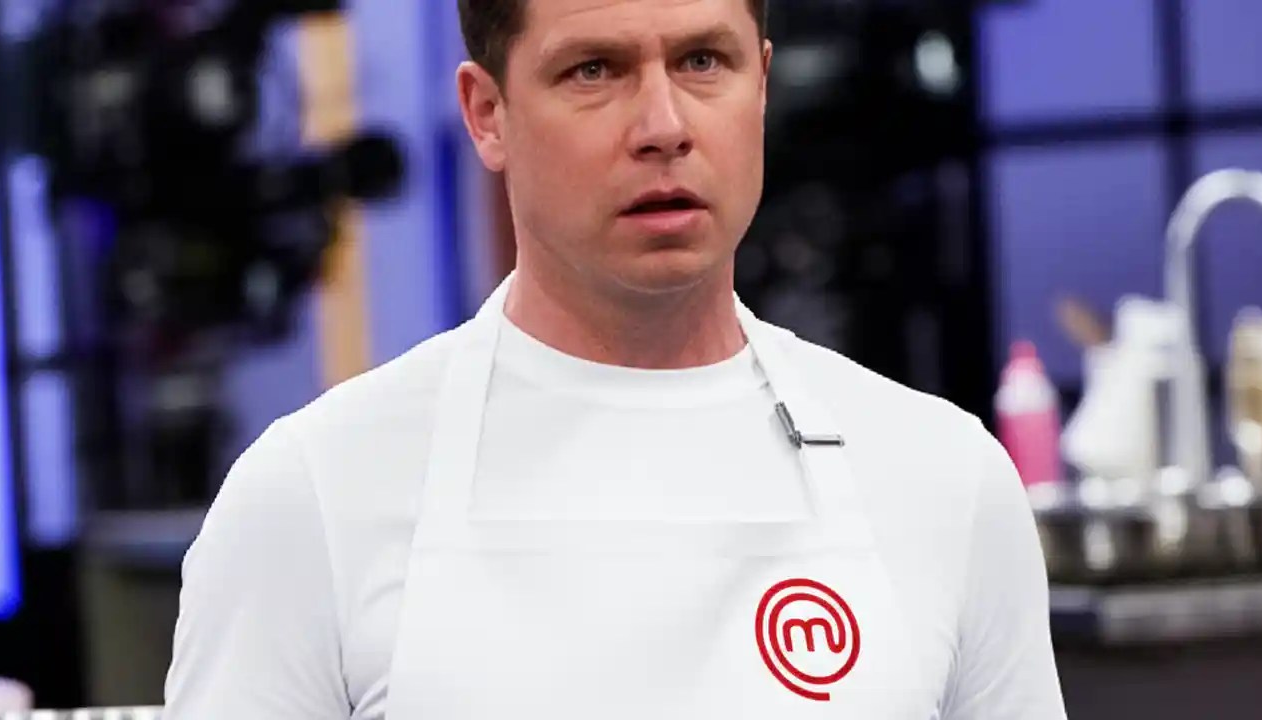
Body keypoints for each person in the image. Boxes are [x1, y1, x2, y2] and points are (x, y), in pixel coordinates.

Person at [163, 0, 1068, 718]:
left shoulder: (943, 478)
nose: (663, 125)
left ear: (761, 79)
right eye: (594, 70)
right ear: (488, 114)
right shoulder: (310, 497)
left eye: (703, 61)